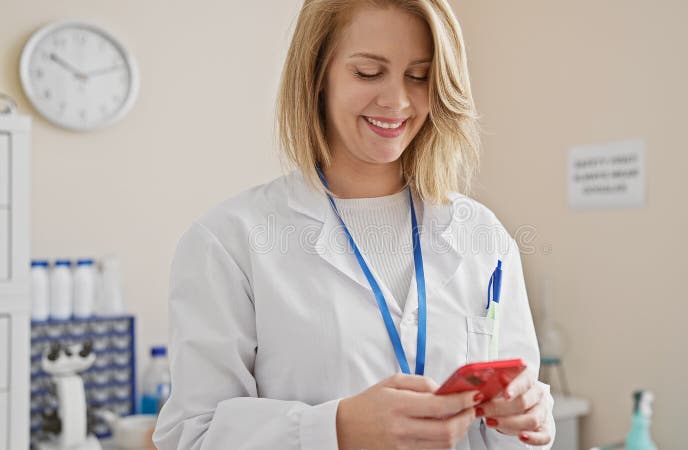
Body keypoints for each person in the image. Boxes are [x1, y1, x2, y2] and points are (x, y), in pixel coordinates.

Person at [153, 0, 555, 449]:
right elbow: (190, 435)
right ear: (316, 75)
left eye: (419, 76)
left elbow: (512, 421)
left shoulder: (482, 234)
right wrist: (337, 429)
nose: (397, 101)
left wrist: (529, 417)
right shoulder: (228, 242)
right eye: (368, 72)